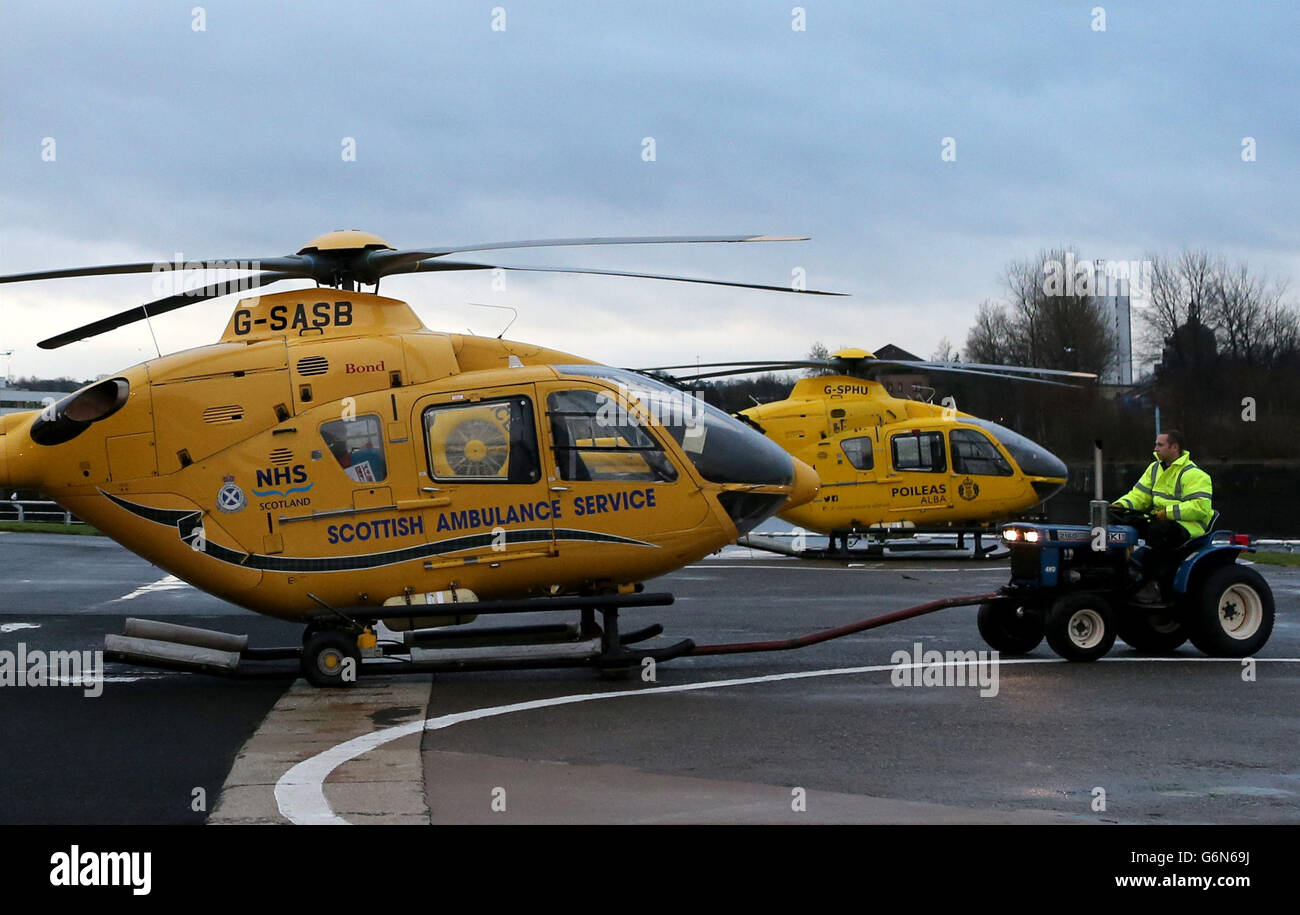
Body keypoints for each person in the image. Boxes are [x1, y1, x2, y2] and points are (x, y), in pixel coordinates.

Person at [1111, 430, 1213, 602]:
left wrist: (1167, 513)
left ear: (1175, 447)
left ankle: (1153, 584)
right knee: (1121, 521)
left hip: (1188, 526)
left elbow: (1200, 507)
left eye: (1160, 444)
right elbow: (1139, 496)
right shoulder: (1154, 469)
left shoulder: (1194, 475)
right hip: (1159, 519)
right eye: (1155, 444)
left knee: (1158, 531)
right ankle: (1120, 573)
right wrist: (1120, 506)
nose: (1155, 448)